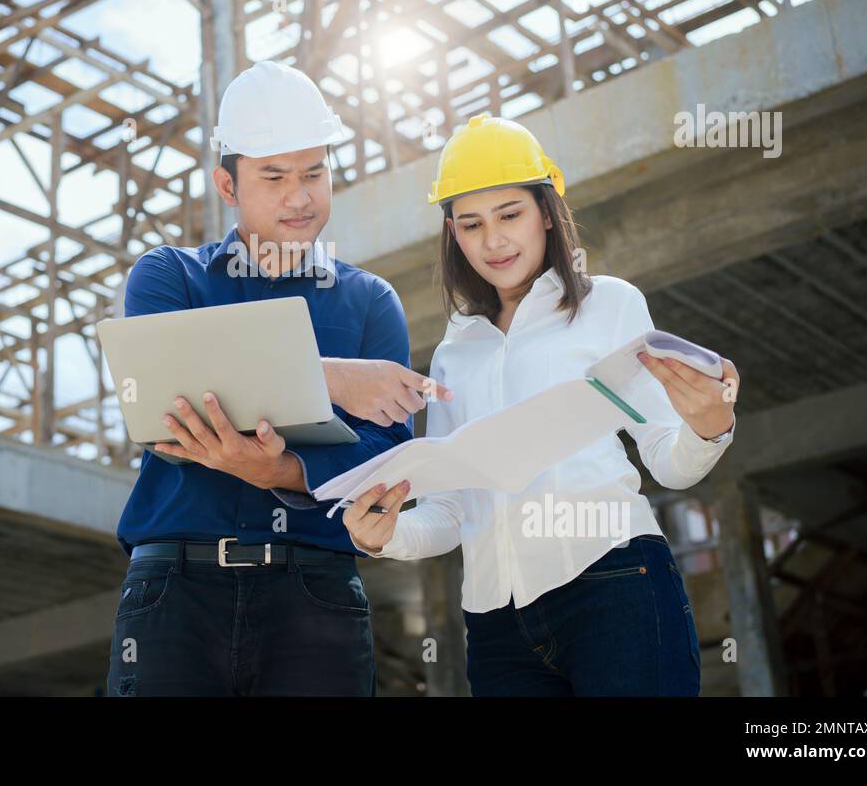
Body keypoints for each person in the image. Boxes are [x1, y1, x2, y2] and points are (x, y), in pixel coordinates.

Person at [343, 112, 738, 696]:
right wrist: (382, 536)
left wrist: (709, 426)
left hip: (614, 584)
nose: (494, 240)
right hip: (497, 626)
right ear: (453, 233)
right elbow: (452, 514)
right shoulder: (455, 351)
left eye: (510, 215)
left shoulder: (609, 306)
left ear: (547, 213)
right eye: (471, 224)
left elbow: (669, 462)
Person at [106, 60, 451, 696]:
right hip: (175, 593)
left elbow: (386, 460)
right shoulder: (168, 277)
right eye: (274, 176)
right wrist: (337, 379)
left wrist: (280, 472)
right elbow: (164, 396)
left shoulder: (371, 302)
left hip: (315, 594)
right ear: (227, 184)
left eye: (314, 173)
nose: (300, 196)